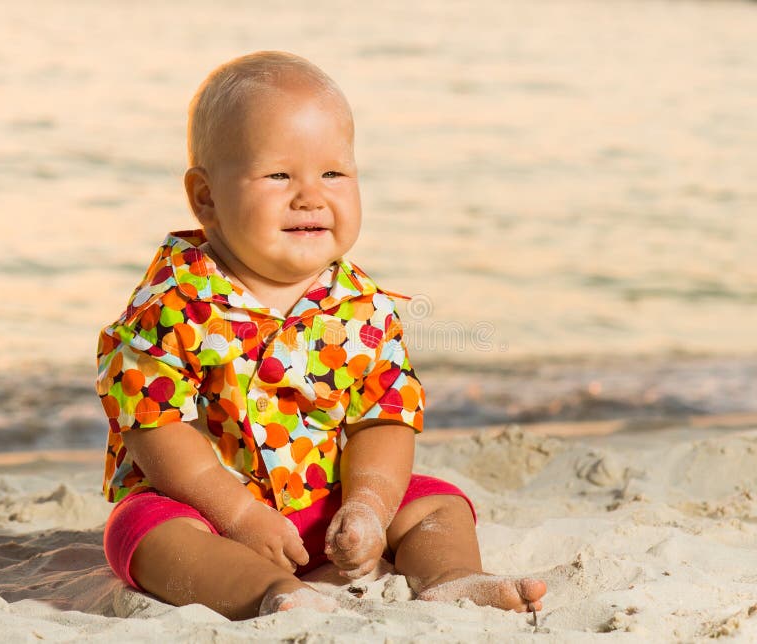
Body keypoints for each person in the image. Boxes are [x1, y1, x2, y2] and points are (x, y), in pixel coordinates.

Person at [96, 50, 547, 620]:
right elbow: (154, 427)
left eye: (333, 173)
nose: (310, 195)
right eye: (279, 174)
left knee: (438, 502)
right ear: (206, 197)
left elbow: (383, 413)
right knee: (139, 533)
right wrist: (237, 515)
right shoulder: (171, 305)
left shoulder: (360, 304)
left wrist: (367, 505)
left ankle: (450, 576)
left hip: (325, 505)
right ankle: (268, 592)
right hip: (207, 510)